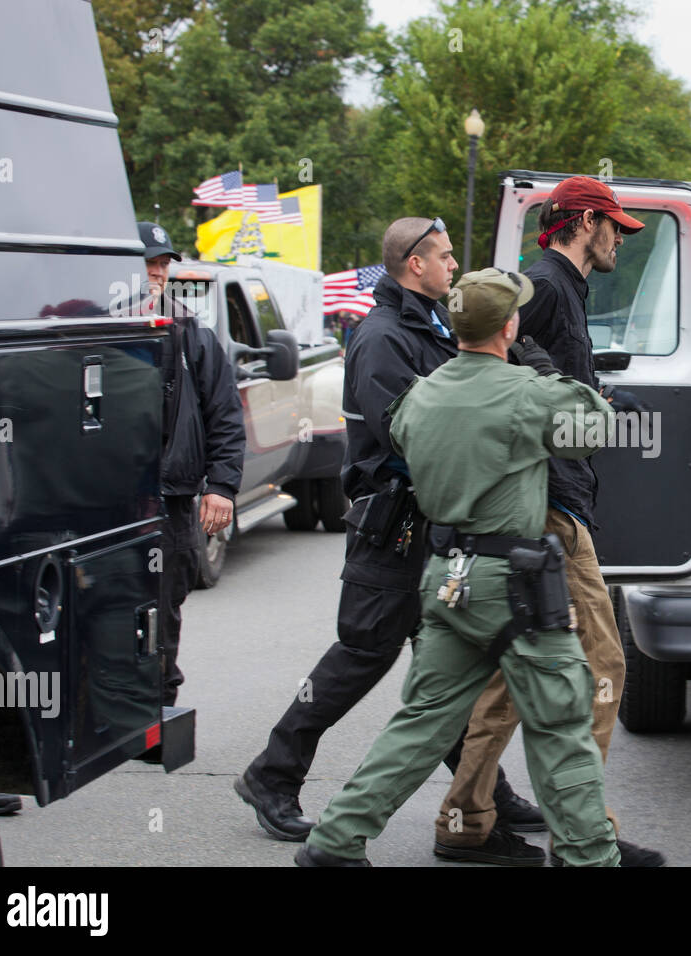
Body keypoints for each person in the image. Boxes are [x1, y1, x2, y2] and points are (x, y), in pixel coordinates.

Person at [235, 219, 543, 860]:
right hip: (394, 529)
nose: (455, 266)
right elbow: (413, 431)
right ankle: (272, 774)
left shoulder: (425, 325)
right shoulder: (382, 337)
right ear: (413, 263)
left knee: (448, 667)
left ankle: (483, 793)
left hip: (427, 526)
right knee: (359, 657)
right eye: (445, 256)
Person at [298, 268, 620, 867]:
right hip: (519, 584)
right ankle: (591, 856)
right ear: (510, 326)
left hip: (448, 576)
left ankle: (336, 839)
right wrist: (551, 373)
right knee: (562, 724)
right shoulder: (527, 393)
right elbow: (596, 428)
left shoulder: (421, 394)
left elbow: (396, 433)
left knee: (421, 722)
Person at [432, 177, 665, 866]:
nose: (621, 237)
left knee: (508, 674)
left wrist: (584, 391)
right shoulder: (545, 284)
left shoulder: (561, 287)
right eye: (615, 226)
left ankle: (465, 824)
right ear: (584, 221)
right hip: (549, 508)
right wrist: (557, 385)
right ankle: (584, 835)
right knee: (603, 662)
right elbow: (477, 348)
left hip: (542, 502)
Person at [140, 220, 245, 708]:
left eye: (164, 264)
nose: (159, 273)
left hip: (171, 498)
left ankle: (158, 706)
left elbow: (224, 415)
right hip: (108, 501)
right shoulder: (94, 324)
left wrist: (221, 487)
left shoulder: (191, 334)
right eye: (149, 263)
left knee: (166, 603)